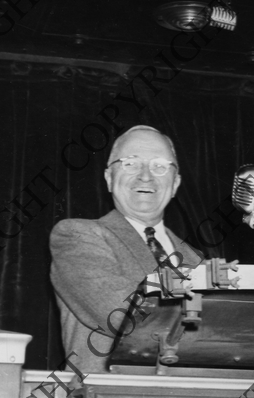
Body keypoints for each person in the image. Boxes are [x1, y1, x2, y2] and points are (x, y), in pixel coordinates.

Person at [50, 125, 203, 373]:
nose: (145, 176)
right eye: (130, 164)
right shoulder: (77, 236)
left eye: (159, 166)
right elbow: (121, 314)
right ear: (109, 178)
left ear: (175, 184)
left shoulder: (196, 260)